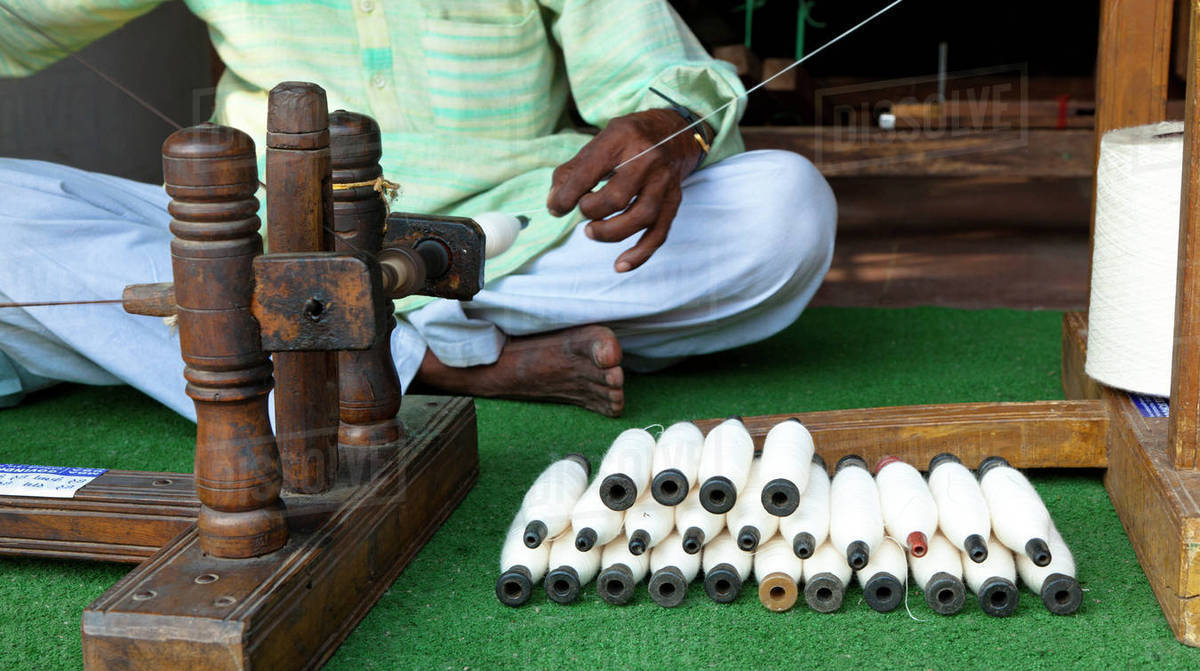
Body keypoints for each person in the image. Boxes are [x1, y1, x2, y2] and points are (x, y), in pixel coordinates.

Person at [0, 0, 836, 419]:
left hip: (515, 239)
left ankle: (351, 351)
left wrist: (668, 130)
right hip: (260, 247)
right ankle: (430, 367)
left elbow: (653, 71)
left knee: (784, 210)